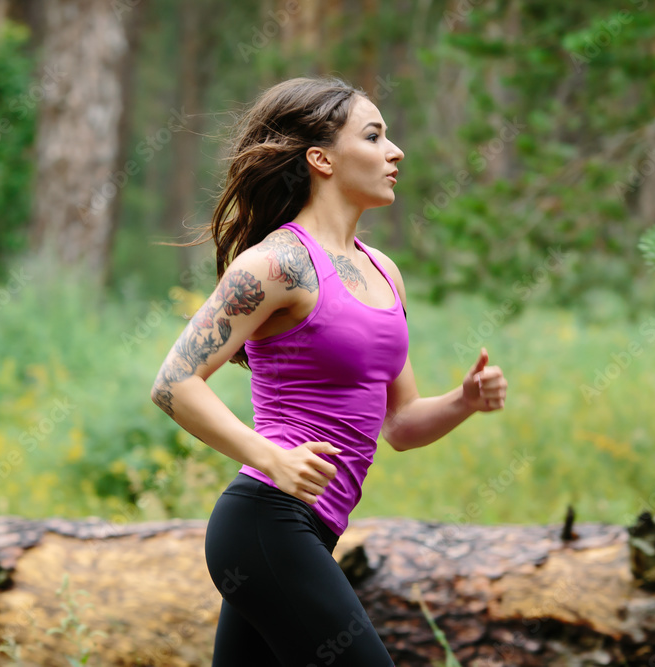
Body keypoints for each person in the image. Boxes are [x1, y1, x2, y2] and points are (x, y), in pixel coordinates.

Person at [150, 76, 508, 667]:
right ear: (321, 158)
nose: (395, 152)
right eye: (373, 136)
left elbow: (401, 424)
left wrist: (464, 401)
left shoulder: (383, 272)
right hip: (266, 518)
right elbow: (174, 383)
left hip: (310, 529)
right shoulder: (276, 264)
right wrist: (270, 456)